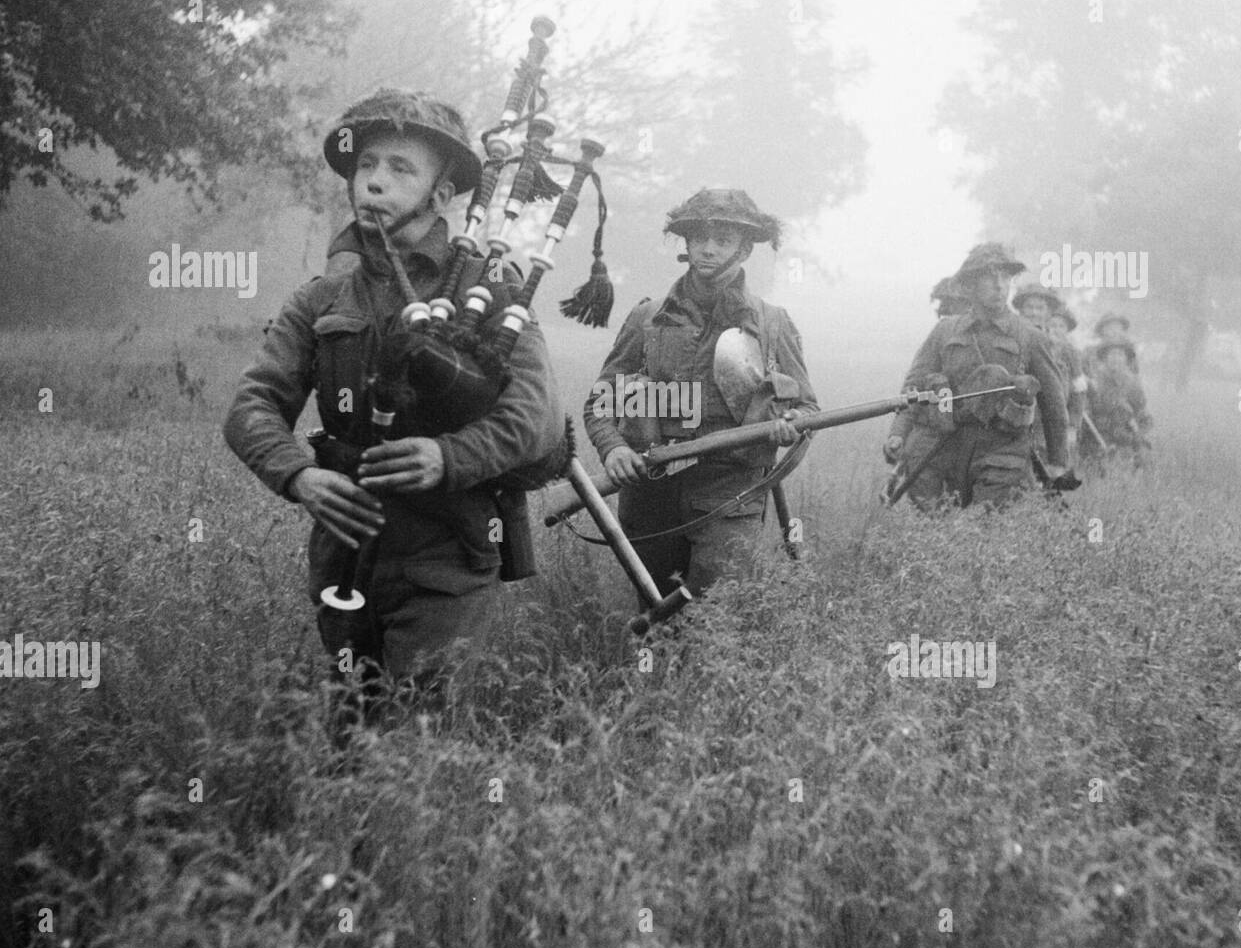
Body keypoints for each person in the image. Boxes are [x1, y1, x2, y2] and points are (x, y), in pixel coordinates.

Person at [223, 89, 565, 736]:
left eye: (400, 168)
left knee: (415, 730)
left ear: (443, 195)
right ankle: (340, 831)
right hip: (346, 546)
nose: (374, 182)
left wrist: (449, 455)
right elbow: (252, 404)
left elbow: (538, 417)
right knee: (350, 719)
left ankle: (415, 833)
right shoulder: (322, 297)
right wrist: (298, 475)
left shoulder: (489, 291)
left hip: (446, 548)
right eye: (366, 165)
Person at [582, 188, 817, 599]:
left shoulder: (773, 323)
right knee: (656, 612)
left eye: (723, 240)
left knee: (715, 612)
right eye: (699, 239)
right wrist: (614, 449)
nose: (708, 250)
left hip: (730, 493)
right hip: (650, 495)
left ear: (744, 250)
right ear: (686, 244)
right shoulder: (646, 318)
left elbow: (807, 408)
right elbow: (601, 403)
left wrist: (792, 425)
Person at [884, 243, 1069, 506]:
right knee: (937, 524)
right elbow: (913, 390)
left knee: (983, 525)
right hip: (946, 446)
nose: (999, 285)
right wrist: (898, 434)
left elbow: (1054, 403)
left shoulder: (1030, 336)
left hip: (1003, 452)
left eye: (1005, 277)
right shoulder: (945, 332)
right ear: (971, 284)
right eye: (989, 277)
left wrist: (1058, 463)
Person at [882, 275, 965, 509]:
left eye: (960, 304)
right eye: (948, 306)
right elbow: (913, 390)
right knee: (928, 510)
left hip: (971, 442)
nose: (952, 312)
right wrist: (898, 434)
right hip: (929, 439)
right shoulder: (940, 335)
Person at [1086, 333, 1153, 467]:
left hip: (1125, 441)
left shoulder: (1133, 384)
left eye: (1120, 355)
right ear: (1104, 357)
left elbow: (1144, 416)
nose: (1115, 359)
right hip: (1097, 440)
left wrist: (1138, 434)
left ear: (1126, 359)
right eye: (1112, 354)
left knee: (1140, 461)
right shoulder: (1094, 381)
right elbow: (1085, 413)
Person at [1045, 299, 1086, 466]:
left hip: (1062, 413)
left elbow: (1078, 391)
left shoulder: (1072, 354)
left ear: (1067, 330)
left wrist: (1073, 426)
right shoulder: (1039, 346)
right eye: (1053, 325)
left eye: (1061, 326)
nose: (1056, 330)